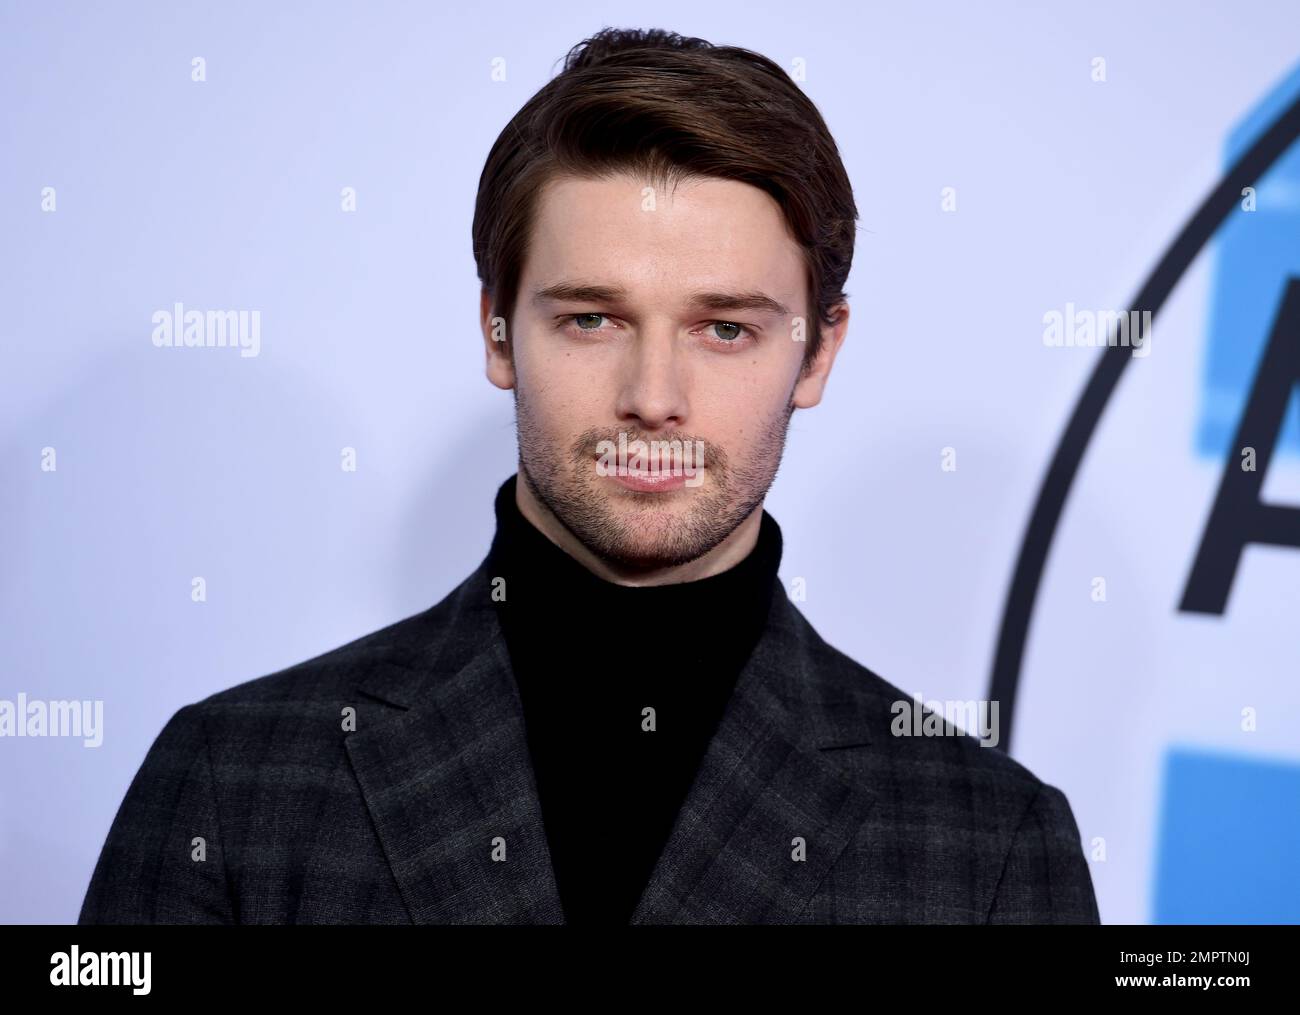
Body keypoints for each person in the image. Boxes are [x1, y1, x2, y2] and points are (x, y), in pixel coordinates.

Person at [79, 27, 1099, 925]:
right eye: (591, 319)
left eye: (725, 328)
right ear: (496, 330)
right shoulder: (236, 778)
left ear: (818, 354)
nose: (653, 395)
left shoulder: (990, 842)